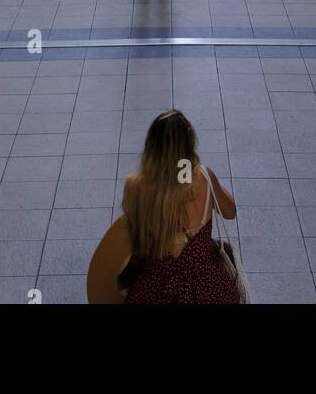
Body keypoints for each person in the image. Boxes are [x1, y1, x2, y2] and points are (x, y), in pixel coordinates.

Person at [86, 110, 241, 305]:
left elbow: (134, 236)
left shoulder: (137, 187)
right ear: (189, 143)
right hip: (207, 284)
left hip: (156, 286)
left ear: (152, 147)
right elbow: (230, 212)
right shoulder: (203, 178)